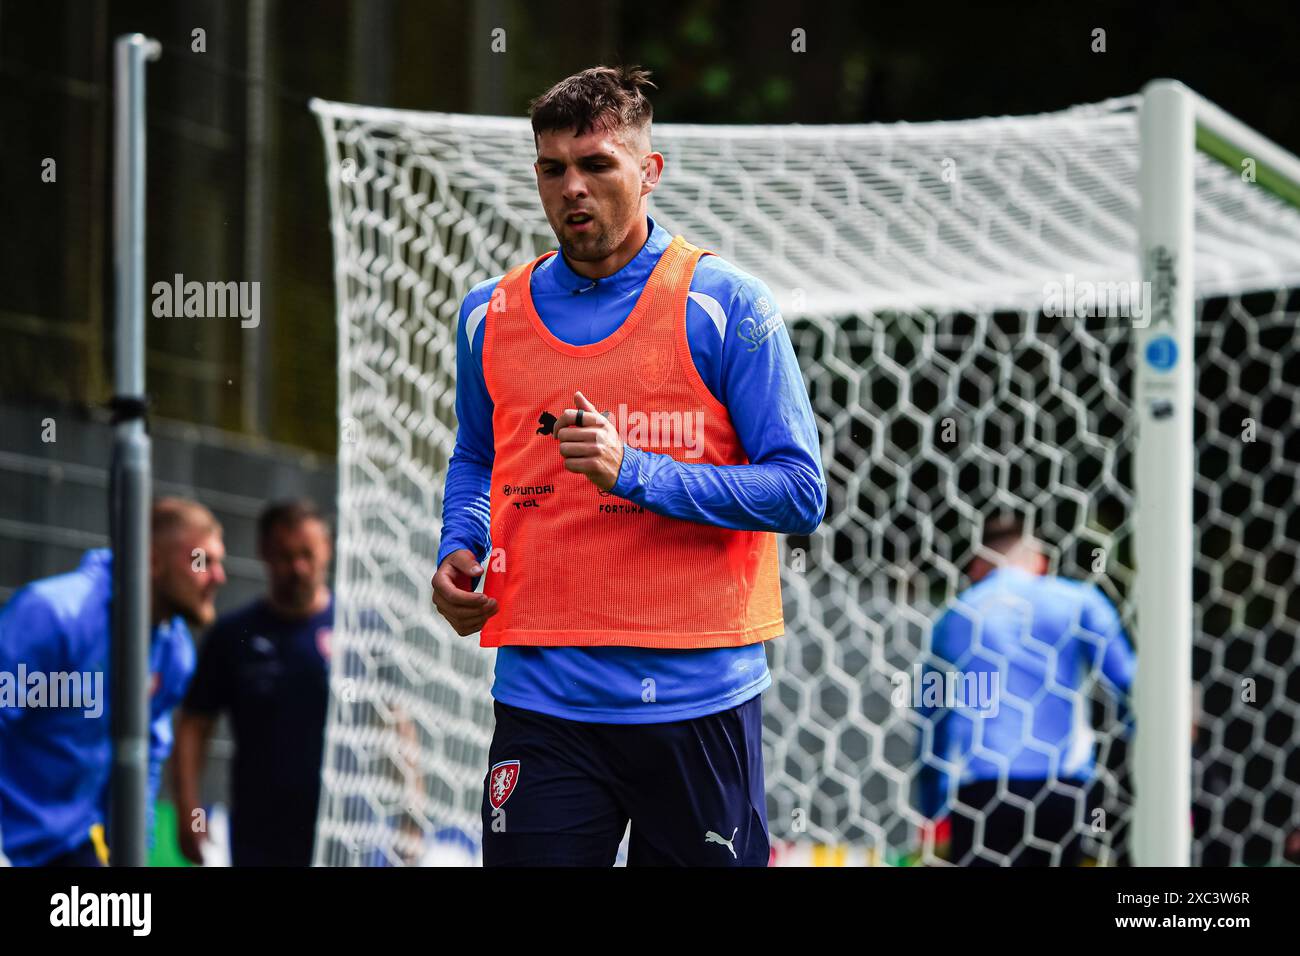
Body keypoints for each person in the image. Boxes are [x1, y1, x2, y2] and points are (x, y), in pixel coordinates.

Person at [430, 65, 826, 866]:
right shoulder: (488, 316)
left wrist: (636, 471)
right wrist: (456, 546)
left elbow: (799, 490)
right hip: (545, 707)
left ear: (649, 172)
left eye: (597, 165)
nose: (572, 188)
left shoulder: (728, 306)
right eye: (553, 168)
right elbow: (478, 455)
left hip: (698, 704)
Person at [0, 497, 226, 866]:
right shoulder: (56, 614)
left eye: (220, 562)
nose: (218, 576)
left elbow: (144, 759)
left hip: (66, 847)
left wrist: (132, 850)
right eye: (202, 561)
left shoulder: (174, 653)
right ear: (152, 560)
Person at [915, 516, 1136, 866]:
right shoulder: (1080, 601)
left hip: (981, 794)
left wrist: (931, 805)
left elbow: (932, 718)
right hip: (1063, 789)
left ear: (977, 565)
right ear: (1041, 562)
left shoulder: (957, 615)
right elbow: (1128, 684)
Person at [173, 499, 333, 866]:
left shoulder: (359, 631)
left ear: (328, 550)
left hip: (344, 828)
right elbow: (194, 725)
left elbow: (391, 719)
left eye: (307, 554)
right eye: (285, 556)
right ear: (264, 553)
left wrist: (410, 810)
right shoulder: (234, 635)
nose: (298, 568)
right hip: (259, 837)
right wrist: (189, 810)